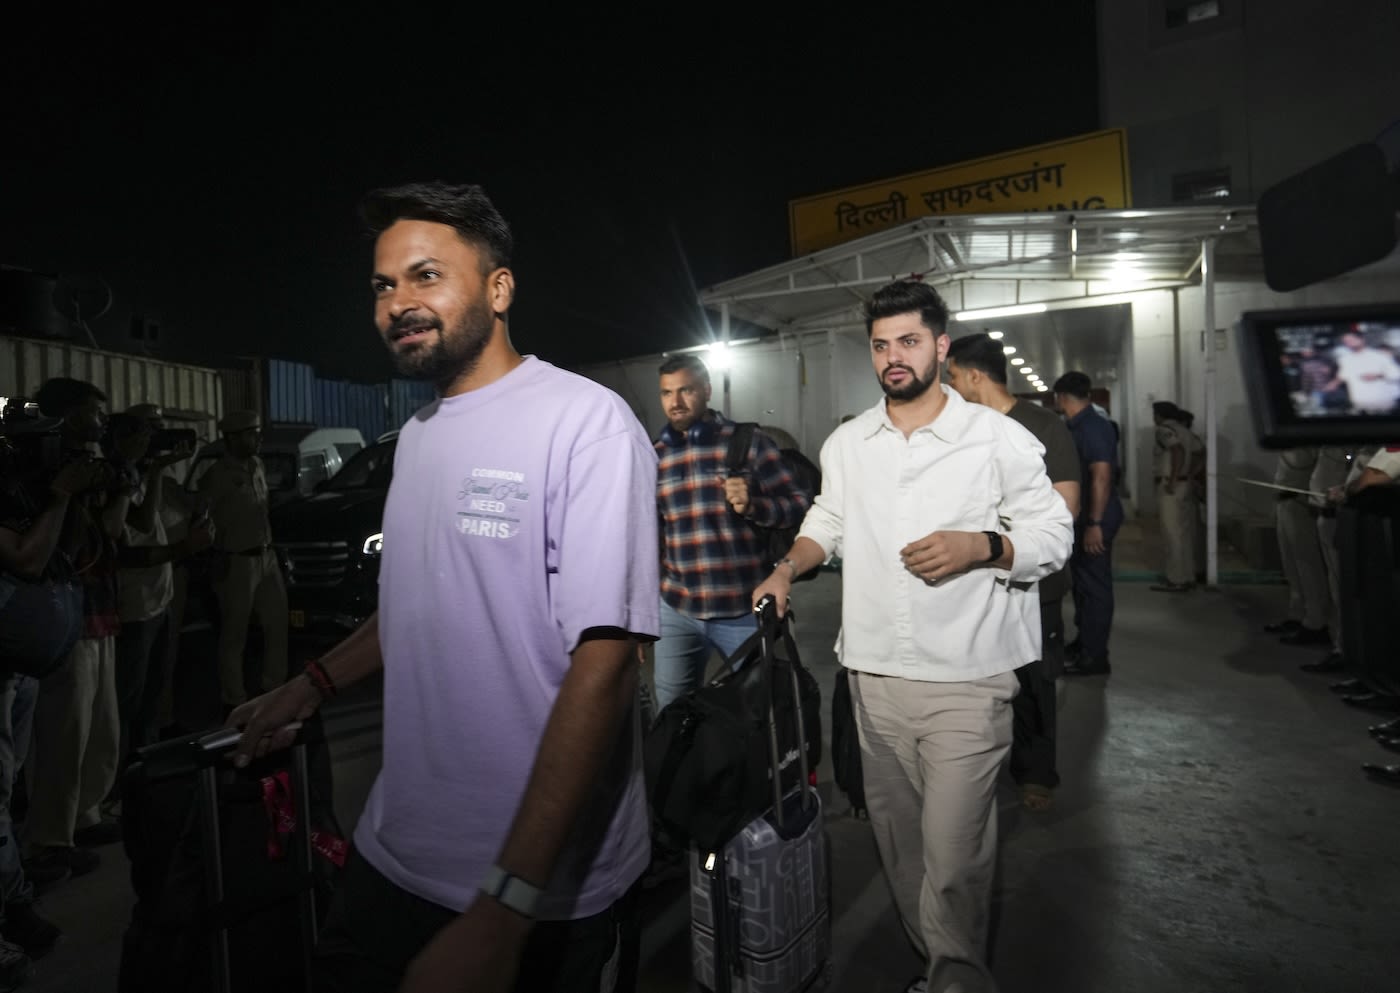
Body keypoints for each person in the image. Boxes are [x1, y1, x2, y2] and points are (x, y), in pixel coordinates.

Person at [226, 181, 659, 993]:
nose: (398, 303)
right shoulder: (418, 438)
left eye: (426, 276)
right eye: (384, 285)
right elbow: (415, 608)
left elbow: (605, 666)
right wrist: (309, 685)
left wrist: (506, 905)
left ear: (498, 289)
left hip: (535, 885)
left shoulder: (587, 422)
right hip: (395, 847)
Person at [753, 280, 1073, 993]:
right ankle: (936, 967)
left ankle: (958, 980)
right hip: (871, 679)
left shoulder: (996, 438)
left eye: (908, 341)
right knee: (899, 850)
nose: (893, 357)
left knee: (954, 857)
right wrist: (785, 566)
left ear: (940, 346)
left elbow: (1055, 533)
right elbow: (826, 522)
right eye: (881, 345)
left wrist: (983, 546)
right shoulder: (848, 443)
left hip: (968, 679)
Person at [945, 332, 1080, 812]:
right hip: (979, 583)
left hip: (1033, 582)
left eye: (955, 376)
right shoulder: (963, 428)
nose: (952, 387)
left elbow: (1066, 504)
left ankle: (1037, 772)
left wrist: (1001, 541)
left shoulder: (1042, 425)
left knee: (1036, 682)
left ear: (975, 375)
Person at [652, 353, 811, 711]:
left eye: (686, 390)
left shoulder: (747, 442)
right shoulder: (655, 454)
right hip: (676, 610)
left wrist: (755, 504)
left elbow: (800, 504)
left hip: (743, 607)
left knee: (761, 713)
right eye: (666, 393)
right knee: (671, 715)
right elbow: (649, 537)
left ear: (707, 391)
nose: (675, 402)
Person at [24, 378, 127, 881]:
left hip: (96, 606)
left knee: (100, 727)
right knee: (64, 732)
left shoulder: (92, 467)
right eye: (92, 414)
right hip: (65, 612)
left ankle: (85, 814)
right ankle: (48, 837)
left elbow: (109, 533)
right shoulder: (40, 468)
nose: (102, 424)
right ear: (64, 417)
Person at [199, 409, 288, 712]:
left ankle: (272, 687)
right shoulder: (216, 476)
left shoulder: (258, 466)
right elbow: (203, 518)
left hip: (266, 556)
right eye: (251, 434)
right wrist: (215, 554)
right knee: (234, 633)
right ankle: (233, 699)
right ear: (232, 439)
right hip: (236, 561)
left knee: (277, 623)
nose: (257, 439)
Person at [1053, 371, 1124, 677]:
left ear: (1061, 398)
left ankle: (1095, 657)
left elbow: (1101, 475)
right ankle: (1084, 645)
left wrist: (1094, 522)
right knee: (1083, 586)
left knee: (1094, 588)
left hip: (1097, 518)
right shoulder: (1080, 425)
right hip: (1087, 518)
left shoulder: (1093, 427)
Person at [1262, 448, 1331, 642]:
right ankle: (1297, 613)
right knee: (1291, 563)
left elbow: (1299, 462)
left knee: (1307, 564)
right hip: (1285, 499)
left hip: (1300, 502)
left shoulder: (1305, 437)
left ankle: (1316, 621)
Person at [1149, 401, 1203, 593]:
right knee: (1185, 534)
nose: (1153, 418)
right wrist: (1190, 474)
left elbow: (1177, 451)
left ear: (1160, 415)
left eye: (1154, 414)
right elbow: (1199, 452)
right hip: (1185, 484)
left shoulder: (1164, 430)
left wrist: (1172, 479)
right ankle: (1188, 576)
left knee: (1172, 534)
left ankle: (1176, 579)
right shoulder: (1185, 430)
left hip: (1171, 486)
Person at [1323, 331, 1400, 414]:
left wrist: (1378, 376)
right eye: (1346, 342)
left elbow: (1396, 374)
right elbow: (1344, 375)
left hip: (1383, 400)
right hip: (1359, 401)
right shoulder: (1345, 359)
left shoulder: (1380, 355)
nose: (1349, 343)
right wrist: (1333, 384)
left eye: (1351, 340)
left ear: (1362, 340)